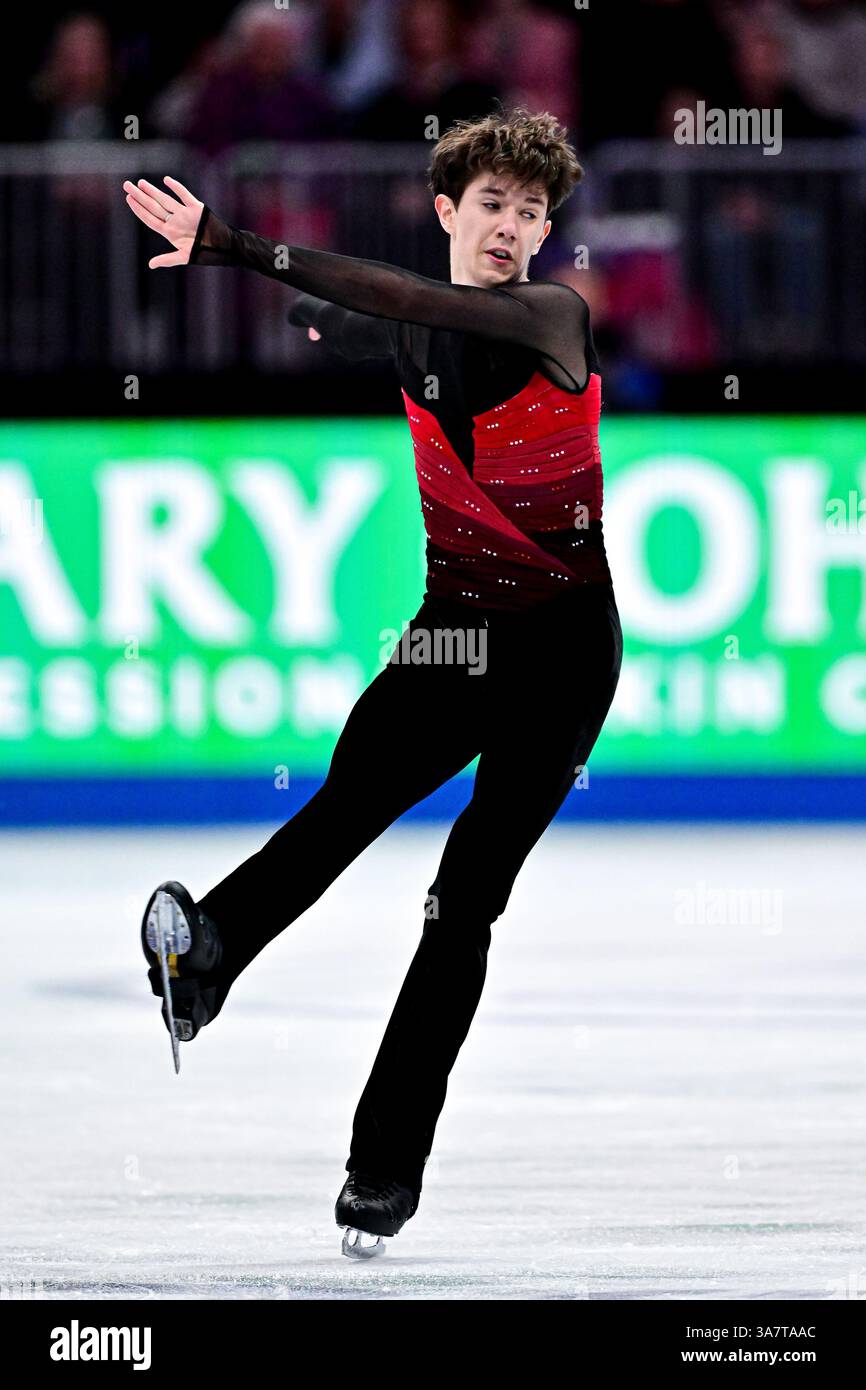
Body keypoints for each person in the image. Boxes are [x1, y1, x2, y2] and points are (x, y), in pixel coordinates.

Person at [126, 106, 623, 1258]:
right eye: (491, 204)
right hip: (451, 637)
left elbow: (408, 304)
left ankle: (382, 1170)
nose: (512, 228)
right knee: (341, 806)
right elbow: (371, 322)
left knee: (459, 905)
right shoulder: (406, 330)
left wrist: (242, 249)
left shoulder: (553, 317)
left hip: (559, 660)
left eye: (532, 211)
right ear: (447, 209)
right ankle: (204, 957)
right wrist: (309, 317)